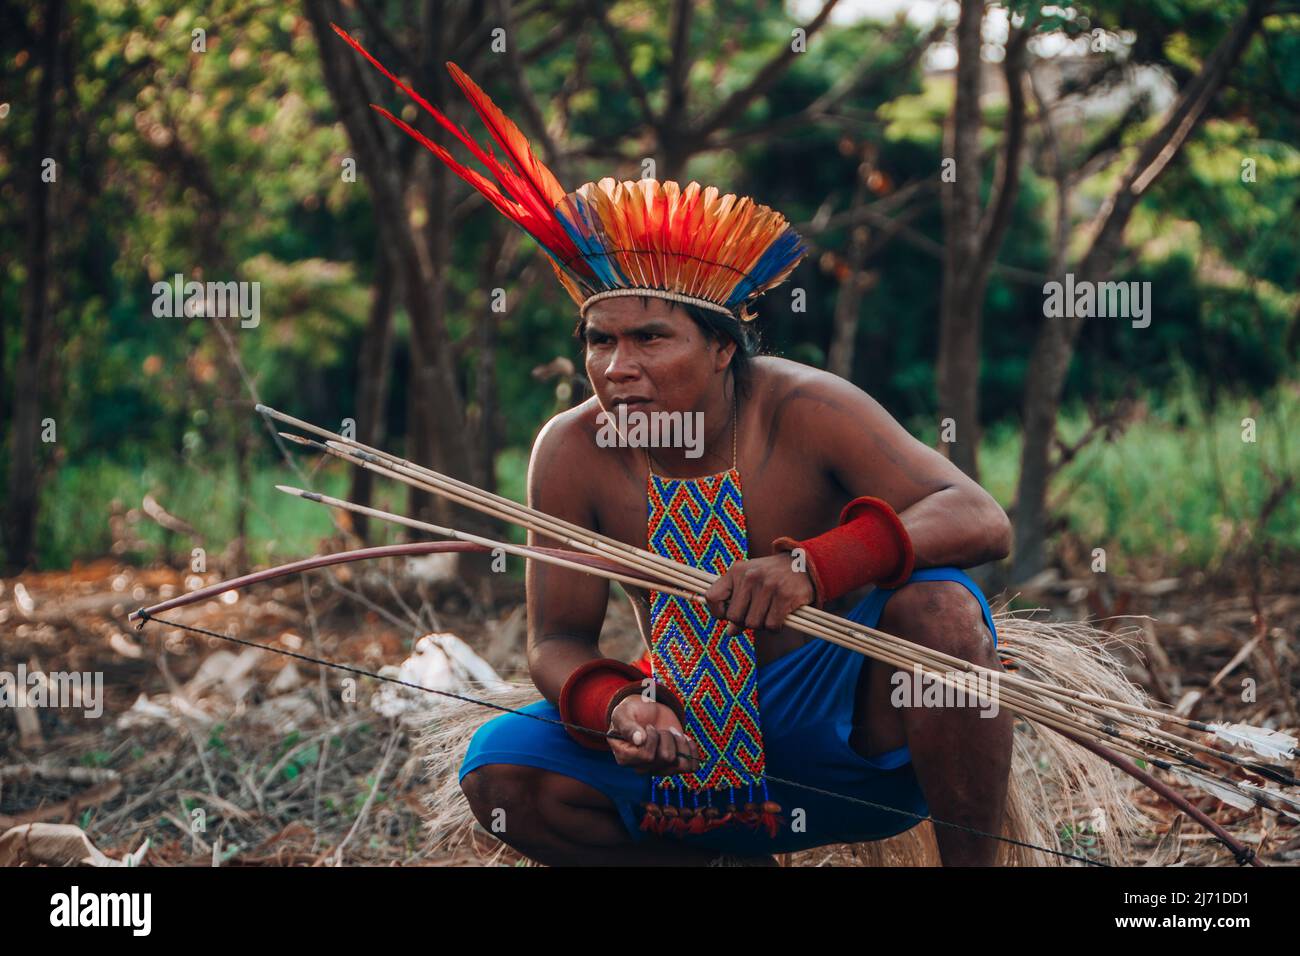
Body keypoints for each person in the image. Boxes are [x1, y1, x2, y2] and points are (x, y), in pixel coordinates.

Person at [336, 28, 1013, 865]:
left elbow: (980, 517)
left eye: (651, 339)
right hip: (691, 730)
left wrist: (810, 569)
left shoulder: (807, 407)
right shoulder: (573, 451)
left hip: (851, 724)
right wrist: (620, 708)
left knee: (941, 610)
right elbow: (556, 642)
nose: (617, 368)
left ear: (725, 347)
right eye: (599, 340)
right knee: (504, 774)